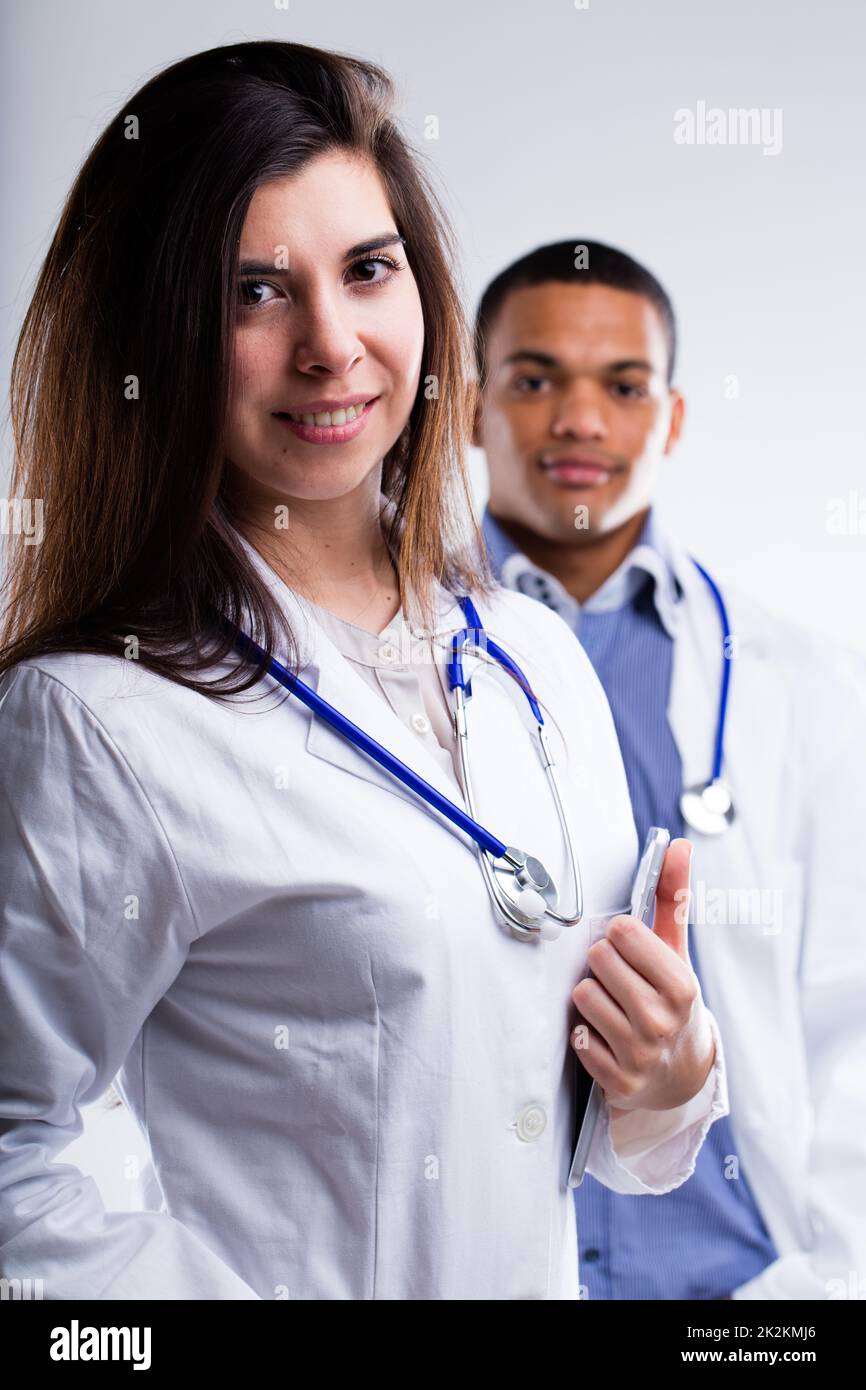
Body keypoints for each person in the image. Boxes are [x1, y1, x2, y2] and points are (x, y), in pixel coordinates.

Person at [0, 48, 729, 1302]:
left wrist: (669, 1080)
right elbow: (16, 1161)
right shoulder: (94, 719)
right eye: (253, 292)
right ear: (160, 331)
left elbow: (597, 1134)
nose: (330, 346)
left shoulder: (535, 658)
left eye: (366, 270)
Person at [471, 238, 866, 1300]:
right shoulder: (382, 655)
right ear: (470, 406)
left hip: (735, 1289)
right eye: (534, 378)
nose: (579, 421)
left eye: (623, 385)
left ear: (673, 418)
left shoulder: (800, 682)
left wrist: (820, 1284)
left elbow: (850, 1023)